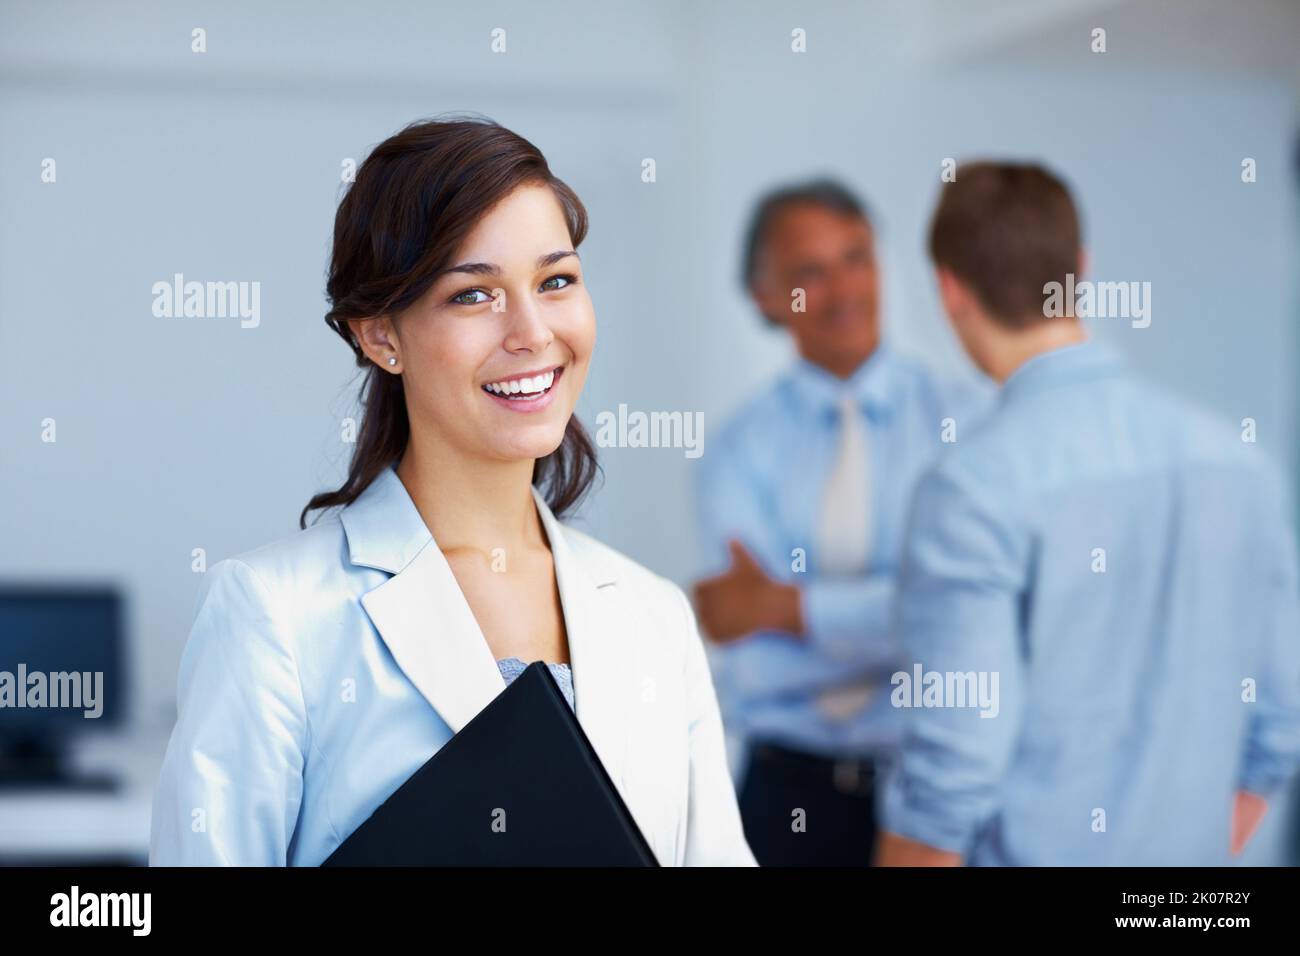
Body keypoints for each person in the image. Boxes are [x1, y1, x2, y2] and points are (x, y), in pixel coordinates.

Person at [150, 116, 756, 867]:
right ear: (380, 336)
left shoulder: (656, 618)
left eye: (556, 281)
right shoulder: (274, 618)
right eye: (474, 296)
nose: (532, 331)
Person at [876, 161, 1300, 866]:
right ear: (1081, 268)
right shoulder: (1240, 465)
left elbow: (954, 771)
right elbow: (1282, 726)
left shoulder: (971, 486)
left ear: (950, 288)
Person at [691, 179, 987, 865]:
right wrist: (901, 617)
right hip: (785, 794)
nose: (844, 290)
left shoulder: (968, 423)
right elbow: (753, 655)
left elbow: (964, 621)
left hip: (936, 794)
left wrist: (784, 606)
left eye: (856, 258)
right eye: (809, 273)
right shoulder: (734, 451)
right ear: (765, 298)